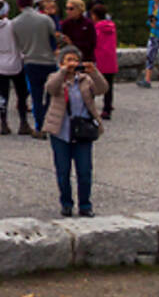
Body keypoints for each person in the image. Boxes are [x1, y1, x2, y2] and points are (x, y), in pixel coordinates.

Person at [44, 45, 106, 217]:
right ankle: (66, 203)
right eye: (68, 60)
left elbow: (102, 89)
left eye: (75, 60)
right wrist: (63, 72)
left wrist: (94, 72)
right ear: (61, 62)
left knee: (84, 171)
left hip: (82, 132)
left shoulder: (86, 80)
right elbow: (50, 88)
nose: (73, 63)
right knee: (63, 171)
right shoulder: (55, 77)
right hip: (60, 131)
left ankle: (85, 205)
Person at [13, 0, 63, 136]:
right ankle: (49, 122)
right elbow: (55, 37)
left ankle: (39, 125)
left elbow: (17, 43)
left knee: (36, 95)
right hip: (48, 61)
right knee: (51, 94)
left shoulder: (15, 22)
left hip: (30, 61)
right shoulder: (45, 19)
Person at [0, 0, 27, 136]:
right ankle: (23, 123)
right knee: (21, 94)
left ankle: (3, 123)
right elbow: (20, 45)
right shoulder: (12, 25)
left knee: (3, 96)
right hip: (15, 63)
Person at [91, 2, 119, 119]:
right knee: (108, 87)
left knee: (91, 84)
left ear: (95, 15)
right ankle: (107, 108)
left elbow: (93, 43)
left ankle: (89, 107)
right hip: (111, 60)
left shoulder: (96, 28)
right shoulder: (111, 27)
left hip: (99, 59)